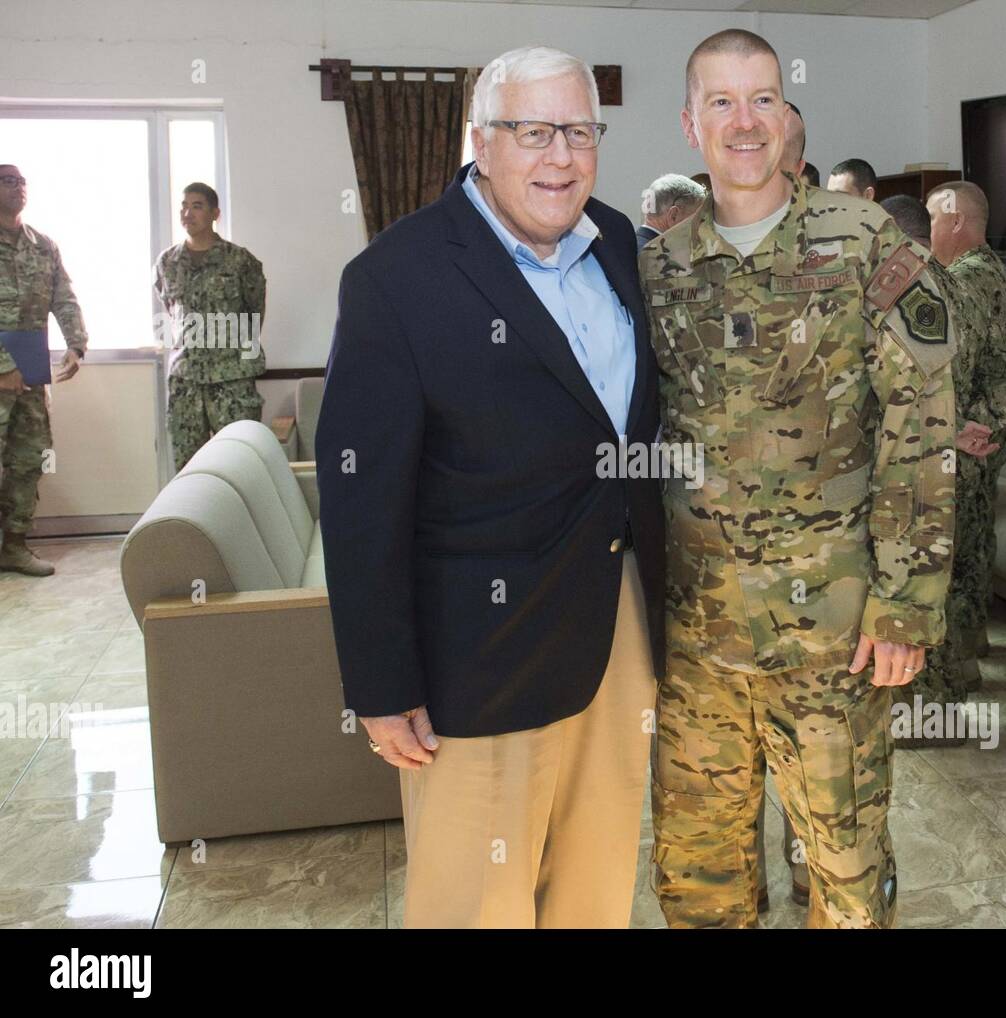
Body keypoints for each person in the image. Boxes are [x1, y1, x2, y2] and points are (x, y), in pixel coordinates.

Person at [316, 45, 665, 929]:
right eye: (534, 131)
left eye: (580, 131)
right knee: (477, 903)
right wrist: (380, 681)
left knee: (595, 884)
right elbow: (361, 501)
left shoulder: (621, 242)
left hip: (616, 630)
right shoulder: (396, 279)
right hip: (477, 657)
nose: (561, 156)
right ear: (479, 140)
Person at [641, 28, 958, 929]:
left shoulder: (870, 250)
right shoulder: (657, 269)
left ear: (788, 114)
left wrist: (906, 605)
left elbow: (922, 433)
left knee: (847, 875)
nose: (746, 122)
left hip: (834, 634)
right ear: (690, 123)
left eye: (763, 99)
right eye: (722, 102)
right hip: (697, 640)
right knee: (697, 875)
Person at [920, 180, 1006, 702]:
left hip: (961, 442)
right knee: (978, 542)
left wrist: (952, 430)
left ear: (956, 220)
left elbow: (949, 372)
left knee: (953, 558)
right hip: (989, 437)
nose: (928, 229)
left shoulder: (958, 284)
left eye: (932, 219)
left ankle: (955, 668)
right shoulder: (1003, 279)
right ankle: (972, 647)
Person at [0, 164, 87, 576]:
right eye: (7, 180)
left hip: (31, 369)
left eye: (21, 181)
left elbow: (63, 297)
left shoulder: (43, 246)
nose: (17, 188)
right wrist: (3, 367)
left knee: (29, 458)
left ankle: (14, 546)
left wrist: (76, 344)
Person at [154, 182, 266, 470]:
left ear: (215, 213)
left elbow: (254, 311)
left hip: (232, 380)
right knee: (189, 470)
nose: (187, 212)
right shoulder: (167, 263)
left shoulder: (240, 261)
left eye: (197, 206)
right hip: (186, 381)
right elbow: (171, 310)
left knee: (241, 464)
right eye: (183, 206)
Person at [637, 173, 706, 251]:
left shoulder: (632, 248)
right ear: (674, 215)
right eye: (698, 218)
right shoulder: (656, 257)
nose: (701, 227)